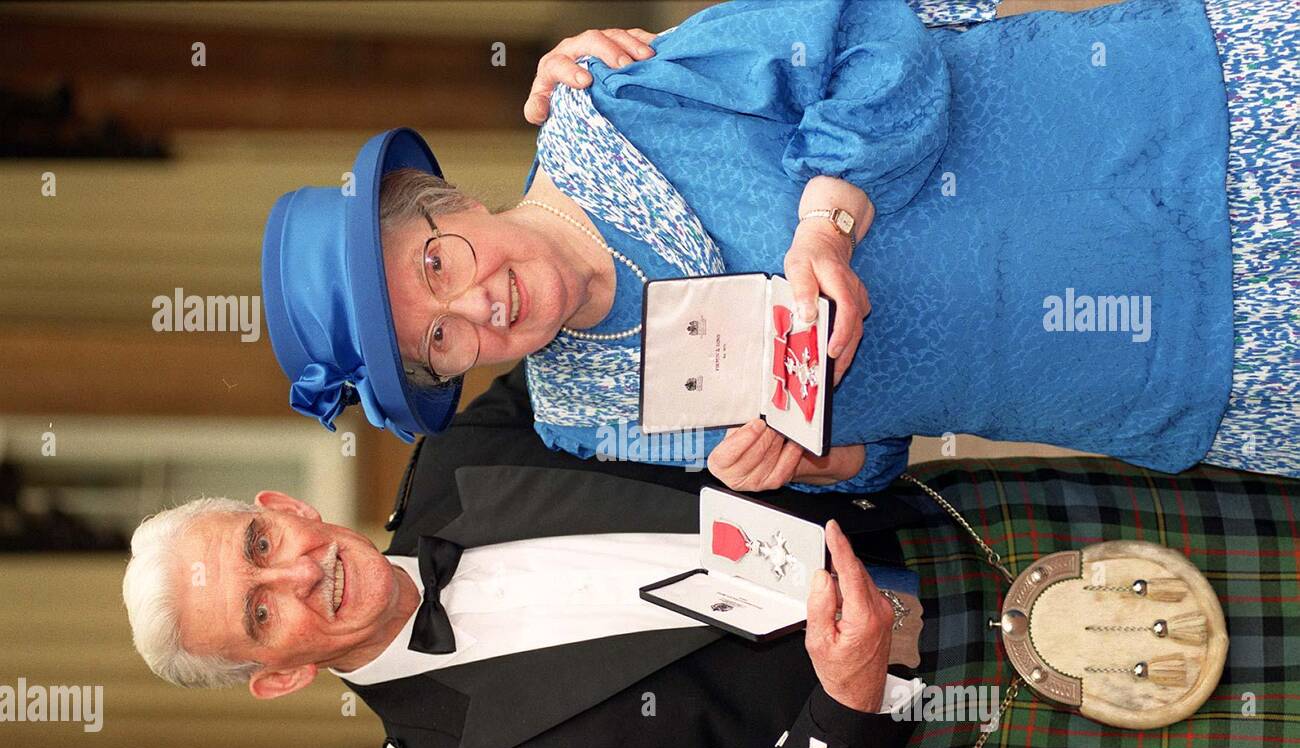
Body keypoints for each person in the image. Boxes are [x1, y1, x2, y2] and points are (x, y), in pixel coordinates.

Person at [261, 0, 1297, 493]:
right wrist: (815, 458)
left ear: (448, 202)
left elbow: (869, 33)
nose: (475, 308)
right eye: (437, 343)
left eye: (434, 268)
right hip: (1166, 370)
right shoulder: (590, 422)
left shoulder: (615, 103)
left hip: (1177, 131)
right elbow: (875, 458)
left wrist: (826, 220)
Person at [121, 366, 930, 748]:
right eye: (260, 613)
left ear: (285, 508)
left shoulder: (470, 444)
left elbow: (673, 350)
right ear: (280, 676)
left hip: (953, 518)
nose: (299, 573)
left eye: (261, 545)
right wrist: (847, 704)